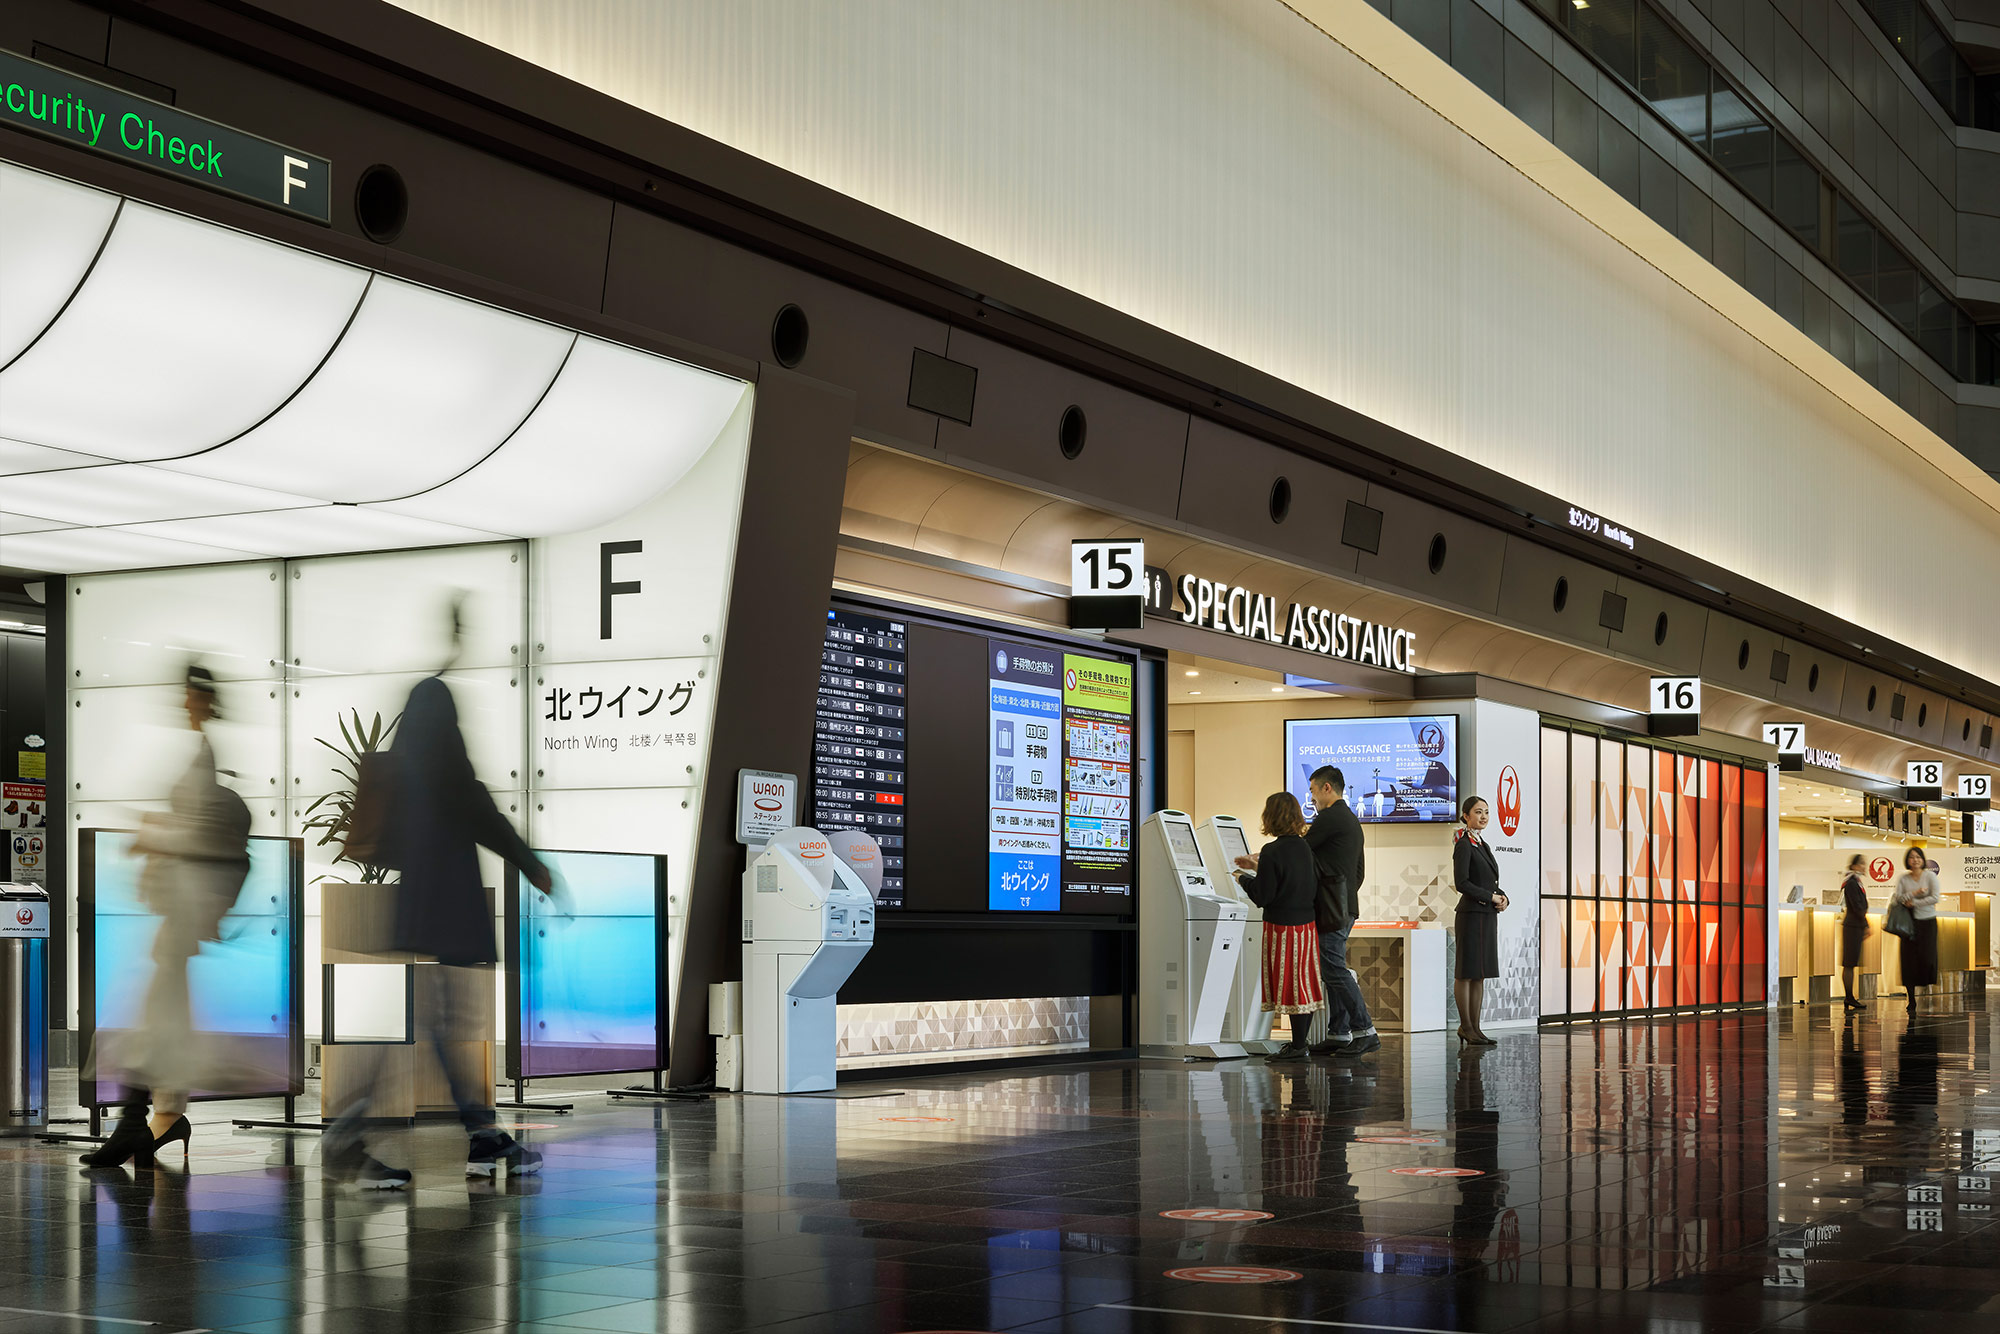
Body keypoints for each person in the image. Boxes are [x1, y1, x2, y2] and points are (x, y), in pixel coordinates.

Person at [323, 608, 554, 1188]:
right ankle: (360, 1134)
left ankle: (479, 1136)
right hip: (449, 902)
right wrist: (533, 866)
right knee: (443, 1023)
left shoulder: (412, 763)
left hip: (424, 901)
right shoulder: (449, 770)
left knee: (436, 1022)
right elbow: (480, 812)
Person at [83, 665, 251, 1169]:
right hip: (181, 908)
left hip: (185, 907)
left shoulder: (204, 754)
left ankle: (142, 1121)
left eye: (189, 696)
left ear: (201, 700)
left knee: (158, 1017)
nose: (183, 704)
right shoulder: (202, 751)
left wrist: (152, 835)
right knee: (158, 1016)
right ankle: (146, 1120)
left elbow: (199, 837)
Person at [1233, 792, 1324, 1059]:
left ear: (1270, 816)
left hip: (1282, 927)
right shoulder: (1305, 847)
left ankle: (1297, 1048)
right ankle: (1299, 1044)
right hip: (1306, 926)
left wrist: (1242, 878)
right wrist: (1256, 865)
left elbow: (1264, 895)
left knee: (1290, 986)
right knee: (1303, 985)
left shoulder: (1272, 850)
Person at [1451, 796, 1508, 1045]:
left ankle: (1476, 1028)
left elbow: (1489, 882)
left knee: (1479, 974)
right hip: (1471, 915)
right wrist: (1490, 897)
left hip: (1486, 916)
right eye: (1477, 812)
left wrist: (1503, 898)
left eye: (1486, 812)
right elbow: (1462, 883)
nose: (1483, 816)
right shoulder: (1464, 844)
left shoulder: (1482, 844)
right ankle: (1466, 1027)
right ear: (1466, 816)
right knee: (1465, 973)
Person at [1892, 844, 1940, 1011]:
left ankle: (1926, 989)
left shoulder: (1930, 876)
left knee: (1927, 958)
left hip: (1927, 921)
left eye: (1918, 857)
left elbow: (1935, 897)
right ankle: (1911, 999)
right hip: (1908, 923)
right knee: (1908, 961)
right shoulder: (1903, 879)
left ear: (1923, 860)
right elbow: (1898, 897)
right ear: (1907, 860)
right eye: (1912, 857)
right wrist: (1914, 893)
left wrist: (1916, 902)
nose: (1915, 860)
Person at [1839, 853, 1870, 1012]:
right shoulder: (1851, 883)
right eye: (1862, 864)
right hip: (1852, 926)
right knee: (1849, 963)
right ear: (1855, 866)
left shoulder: (1855, 882)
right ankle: (1849, 997)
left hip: (1855, 926)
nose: (1864, 867)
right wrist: (1866, 924)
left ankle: (1849, 997)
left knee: (1851, 962)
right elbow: (1857, 906)